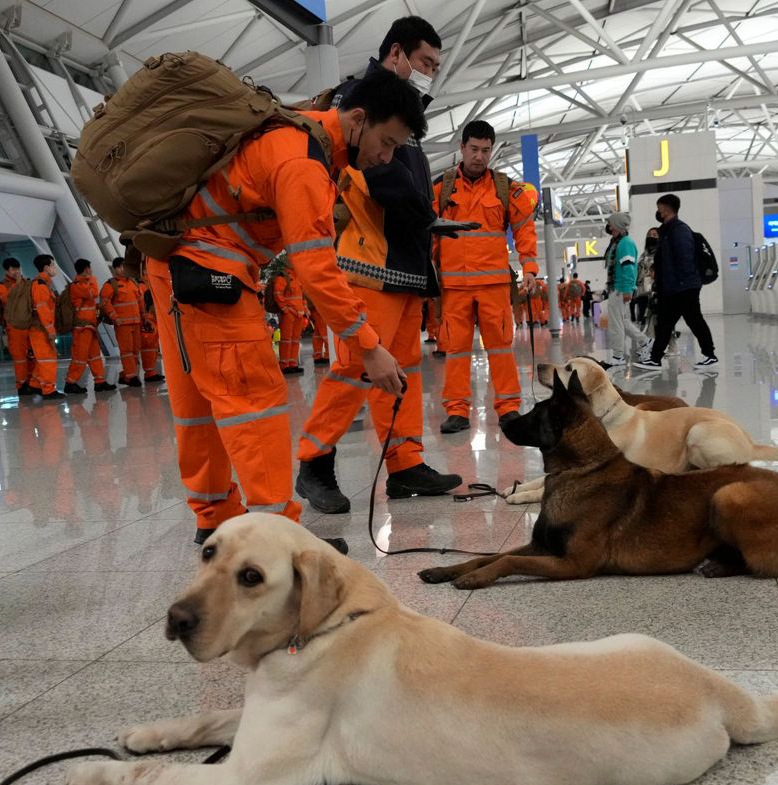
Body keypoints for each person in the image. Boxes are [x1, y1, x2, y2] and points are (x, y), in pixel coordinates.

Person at [141, 70, 421, 542]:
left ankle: (215, 517)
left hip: (171, 268)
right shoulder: (303, 162)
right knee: (255, 401)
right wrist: (369, 345)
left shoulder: (297, 132)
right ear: (357, 119)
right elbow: (317, 269)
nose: (386, 157)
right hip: (211, 274)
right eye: (386, 142)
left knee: (199, 405)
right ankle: (279, 539)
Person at [296, 16, 462, 513]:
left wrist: (426, 222)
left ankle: (405, 464)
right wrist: (427, 213)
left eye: (436, 65)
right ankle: (314, 462)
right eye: (425, 62)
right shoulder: (363, 101)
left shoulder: (405, 112)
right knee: (355, 367)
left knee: (403, 368)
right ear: (397, 54)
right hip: (372, 260)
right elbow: (381, 178)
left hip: (406, 262)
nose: (430, 72)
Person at [432, 119, 539, 434]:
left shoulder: (506, 189)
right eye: (474, 149)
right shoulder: (441, 189)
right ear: (462, 147)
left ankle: (508, 408)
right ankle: (457, 411)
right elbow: (428, 233)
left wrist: (530, 268)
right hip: (454, 288)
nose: (479, 156)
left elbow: (524, 230)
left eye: (486, 150)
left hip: (493, 286)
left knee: (501, 348)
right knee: (456, 350)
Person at [633, 194, 717, 371]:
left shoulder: (679, 230)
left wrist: (678, 285)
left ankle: (709, 355)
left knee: (693, 321)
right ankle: (655, 359)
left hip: (683, 287)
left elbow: (685, 259)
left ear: (664, 209)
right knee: (665, 323)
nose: (658, 212)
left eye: (659, 208)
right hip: (673, 287)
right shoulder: (667, 230)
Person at [0, 258, 38, 396]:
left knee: (32, 356)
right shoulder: (2, 286)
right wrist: (18, 283)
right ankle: (22, 384)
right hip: (14, 326)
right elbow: (9, 300)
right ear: (7, 270)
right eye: (13, 269)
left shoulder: (27, 283)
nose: (16, 272)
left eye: (17, 269)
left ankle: (33, 383)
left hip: (29, 324)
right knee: (20, 358)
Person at [599, 212, 652, 364]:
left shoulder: (625, 243)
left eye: (610, 223)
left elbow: (628, 268)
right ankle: (645, 341)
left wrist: (627, 289)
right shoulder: (618, 242)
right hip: (617, 288)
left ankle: (618, 356)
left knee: (616, 323)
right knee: (622, 321)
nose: (608, 226)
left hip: (620, 289)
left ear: (616, 225)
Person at [63, 259, 116, 394]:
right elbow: (94, 293)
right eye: (90, 268)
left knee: (94, 355)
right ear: (87, 269)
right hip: (81, 327)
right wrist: (91, 278)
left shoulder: (83, 284)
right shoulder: (77, 286)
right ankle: (70, 382)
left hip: (89, 326)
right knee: (80, 356)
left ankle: (100, 381)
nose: (91, 271)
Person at [101, 257, 146, 386]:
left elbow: (140, 302)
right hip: (122, 324)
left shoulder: (133, 283)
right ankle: (131, 377)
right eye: (120, 267)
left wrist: (144, 317)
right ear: (115, 269)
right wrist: (115, 317)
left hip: (136, 322)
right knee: (126, 351)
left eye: (124, 266)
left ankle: (126, 375)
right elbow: (105, 303)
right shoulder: (110, 285)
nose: (123, 269)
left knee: (135, 350)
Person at [26, 254, 66, 400]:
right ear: (46, 267)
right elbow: (43, 310)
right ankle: (48, 390)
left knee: (44, 359)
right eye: (53, 265)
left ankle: (35, 385)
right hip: (40, 330)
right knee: (47, 359)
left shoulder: (43, 284)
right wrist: (50, 331)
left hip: (39, 329)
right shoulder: (41, 286)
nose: (54, 268)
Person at [273, 268, 308, 374]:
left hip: (298, 314)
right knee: (286, 339)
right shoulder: (283, 278)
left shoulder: (298, 277)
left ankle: (293, 364)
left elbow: (302, 296)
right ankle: (285, 365)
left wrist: (305, 309)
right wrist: (286, 309)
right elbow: (277, 294)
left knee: (295, 339)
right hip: (289, 314)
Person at [136, 273, 164, 383]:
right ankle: (149, 372)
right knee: (149, 345)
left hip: (149, 318)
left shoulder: (144, 286)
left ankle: (150, 371)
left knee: (152, 347)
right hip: (148, 319)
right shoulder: (142, 287)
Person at [630, 227, 658, 325]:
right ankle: (646, 339)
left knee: (657, 320)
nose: (651, 236)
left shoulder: (662, 253)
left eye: (654, 235)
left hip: (656, 291)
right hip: (642, 292)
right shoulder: (643, 255)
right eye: (649, 235)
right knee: (642, 319)